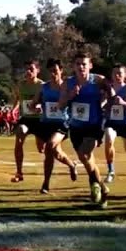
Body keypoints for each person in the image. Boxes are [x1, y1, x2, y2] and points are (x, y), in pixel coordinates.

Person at [59, 52, 111, 207]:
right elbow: (60, 105)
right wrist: (70, 95)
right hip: (76, 127)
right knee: (86, 159)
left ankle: (95, 185)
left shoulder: (98, 80)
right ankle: (101, 187)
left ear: (90, 65)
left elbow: (111, 94)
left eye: (84, 64)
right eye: (78, 64)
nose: (81, 67)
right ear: (74, 66)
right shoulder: (68, 83)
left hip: (94, 125)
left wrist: (104, 102)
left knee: (85, 153)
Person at [31, 59, 79, 194]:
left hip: (61, 123)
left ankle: (45, 184)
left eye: (56, 71)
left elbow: (74, 102)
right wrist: (37, 107)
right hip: (46, 123)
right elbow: (33, 104)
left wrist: (72, 96)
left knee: (49, 147)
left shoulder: (67, 86)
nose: (53, 74)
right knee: (55, 152)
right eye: (51, 71)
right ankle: (71, 164)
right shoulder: (44, 87)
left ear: (61, 71)